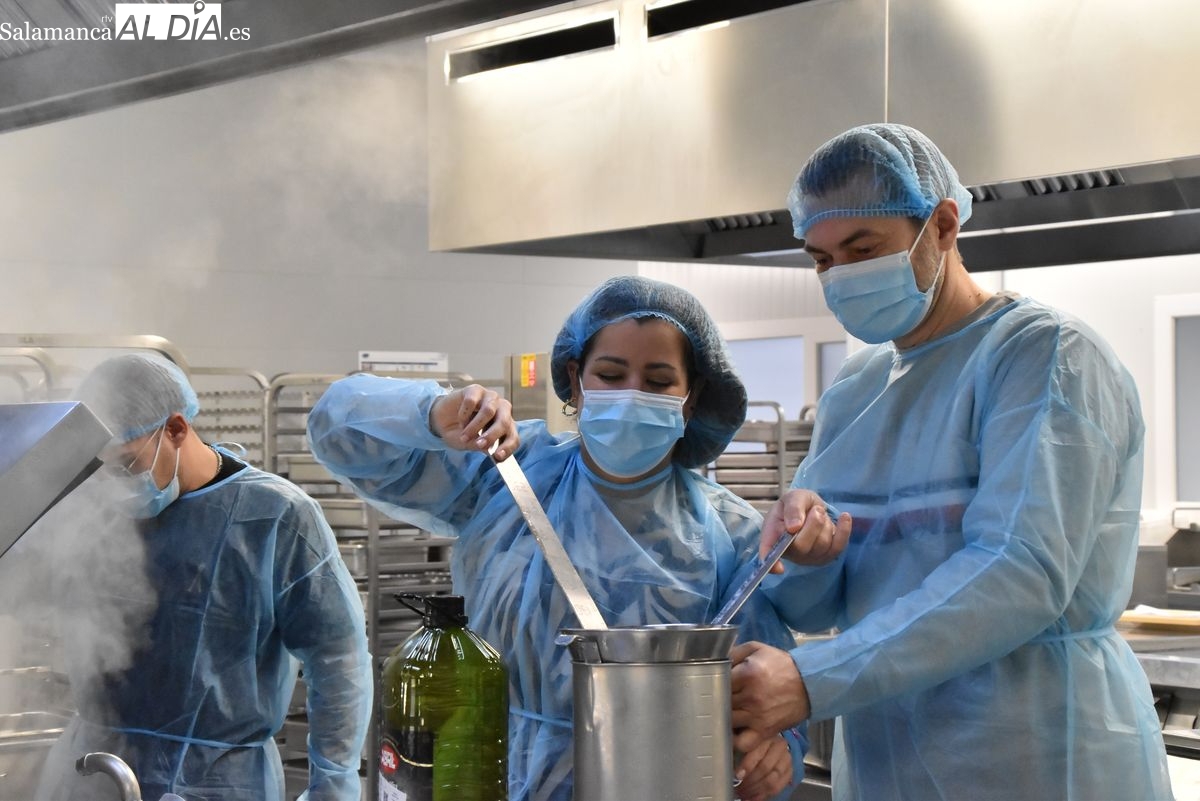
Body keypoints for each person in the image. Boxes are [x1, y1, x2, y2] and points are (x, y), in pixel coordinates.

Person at [727, 123, 1175, 800]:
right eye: (822, 260)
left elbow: (1019, 573)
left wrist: (813, 678)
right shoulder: (856, 391)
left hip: (1036, 757)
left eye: (863, 250)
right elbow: (815, 605)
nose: (842, 275)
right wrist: (808, 556)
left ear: (941, 226)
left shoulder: (1044, 357)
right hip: (887, 766)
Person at [307, 276, 815, 801]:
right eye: (610, 375)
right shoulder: (506, 474)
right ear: (575, 380)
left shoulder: (730, 534)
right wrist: (434, 415)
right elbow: (338, 428)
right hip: (485, 776)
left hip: (653, 785)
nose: (631, 394)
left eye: (658, 381)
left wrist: (779, 747)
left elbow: (766, 685)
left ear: (692, 398)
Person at [36, 353, 373, 801]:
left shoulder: (275, 516)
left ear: (176, 429)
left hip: (217, 782)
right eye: (102, 470)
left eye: (127, 466)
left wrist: (331, 784)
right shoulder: (91, 513)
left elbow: (337, 660)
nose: (113, 487)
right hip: (92, 771)